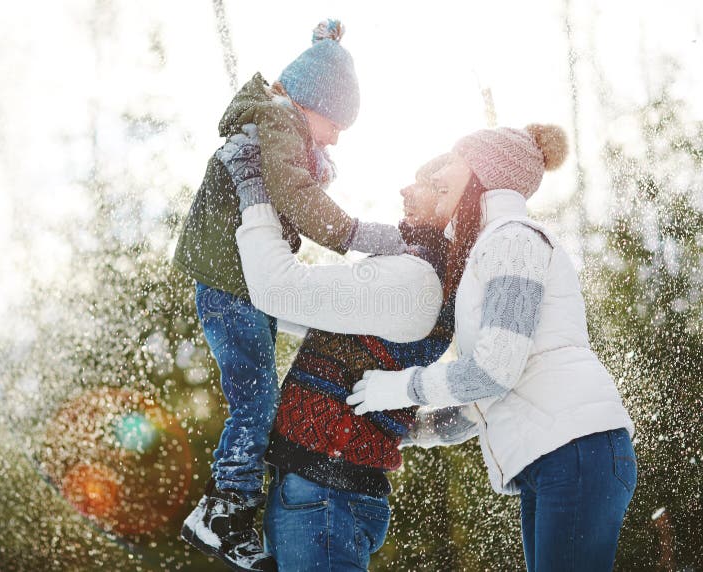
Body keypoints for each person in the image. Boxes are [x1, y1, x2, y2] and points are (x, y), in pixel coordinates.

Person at [347, 124, 637, 571]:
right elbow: (485, 396)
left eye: (450, 161)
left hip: (577, 449)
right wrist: (409, 429)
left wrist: (400, 388)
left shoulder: (514, 240)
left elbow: (493, 370)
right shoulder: (492, 244)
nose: (438, 172)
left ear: (483, 170)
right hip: (559, 456)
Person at [174, 19, 407, 572]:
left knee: (260, 400)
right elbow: (297, 199)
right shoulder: (276, 123)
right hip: (231, 286)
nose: (336, 135)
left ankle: (228, 508)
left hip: (243, 288)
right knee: (255, 401)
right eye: (335, 123)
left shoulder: (281, 127)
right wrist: (365, 236)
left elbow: (294, 195)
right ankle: (222, 512)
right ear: (309, 104)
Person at [226, 143, 457, 570]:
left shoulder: (414, 278)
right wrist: (405, 425)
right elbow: (306, 312)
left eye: (428, 184)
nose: (406, 189)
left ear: (451, 202)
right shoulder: (424, 274)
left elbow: (281, 290)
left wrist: (252, 187)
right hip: (326, 492)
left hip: (324, 496)